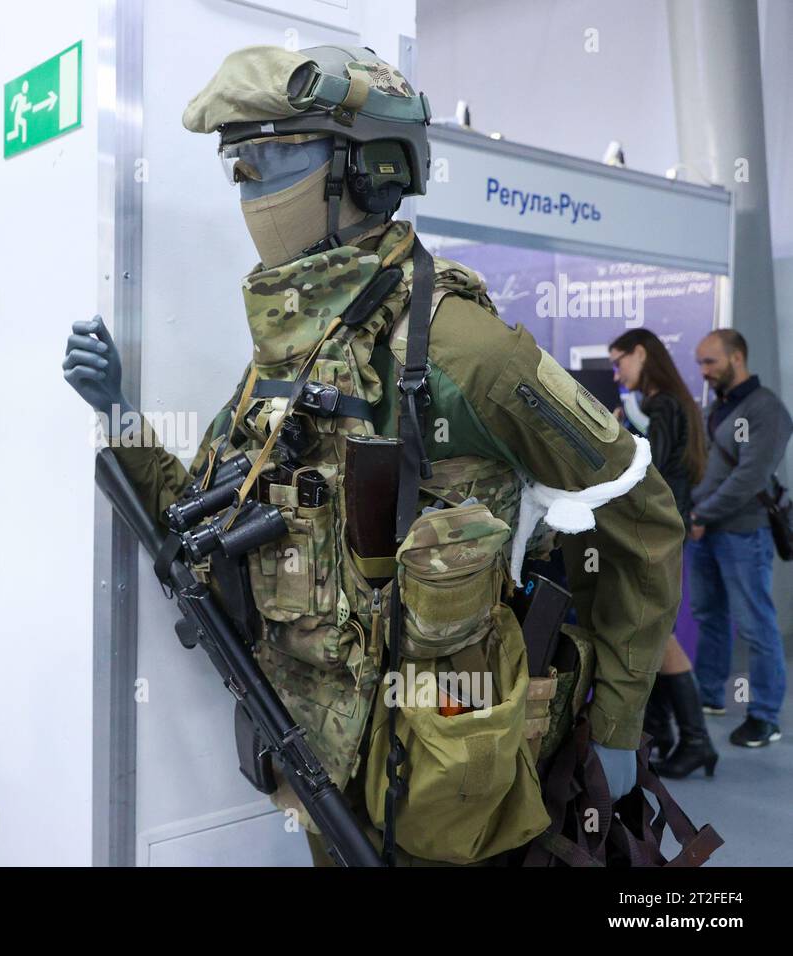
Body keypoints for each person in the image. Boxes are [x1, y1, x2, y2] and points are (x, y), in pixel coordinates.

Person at [64, 46, 683, 866]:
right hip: (324, 766)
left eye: (268, 159)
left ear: (368, 171)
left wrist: (615, 727)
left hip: (460, 789)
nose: (247, 190)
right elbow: (204, 517)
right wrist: (121, 421)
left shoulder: (469, 353)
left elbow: (641, 515)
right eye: (236, 167)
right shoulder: (289, 358)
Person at [609, 329, 717, 777]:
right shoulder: (668, 406)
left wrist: (619, 435)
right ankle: (665, 733)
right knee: (653, 632)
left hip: (656, 533)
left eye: (620, 362)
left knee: (657, 634)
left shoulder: (664, 406)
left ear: (641, 353)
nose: (617, 372)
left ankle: (694, 740)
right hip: (659, 530)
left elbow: (651, 473)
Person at [689, 329, 792, 748]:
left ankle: (765, 716)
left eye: (710, 362)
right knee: (709, 616)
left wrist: (701, 513)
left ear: (737, 358)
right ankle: (711, 695)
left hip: (743, 535)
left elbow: (749, 477)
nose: (704, 371)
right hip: (707, 533)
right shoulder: (720, 407)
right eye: (700, 363)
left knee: (755, 626)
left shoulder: (766, 409)